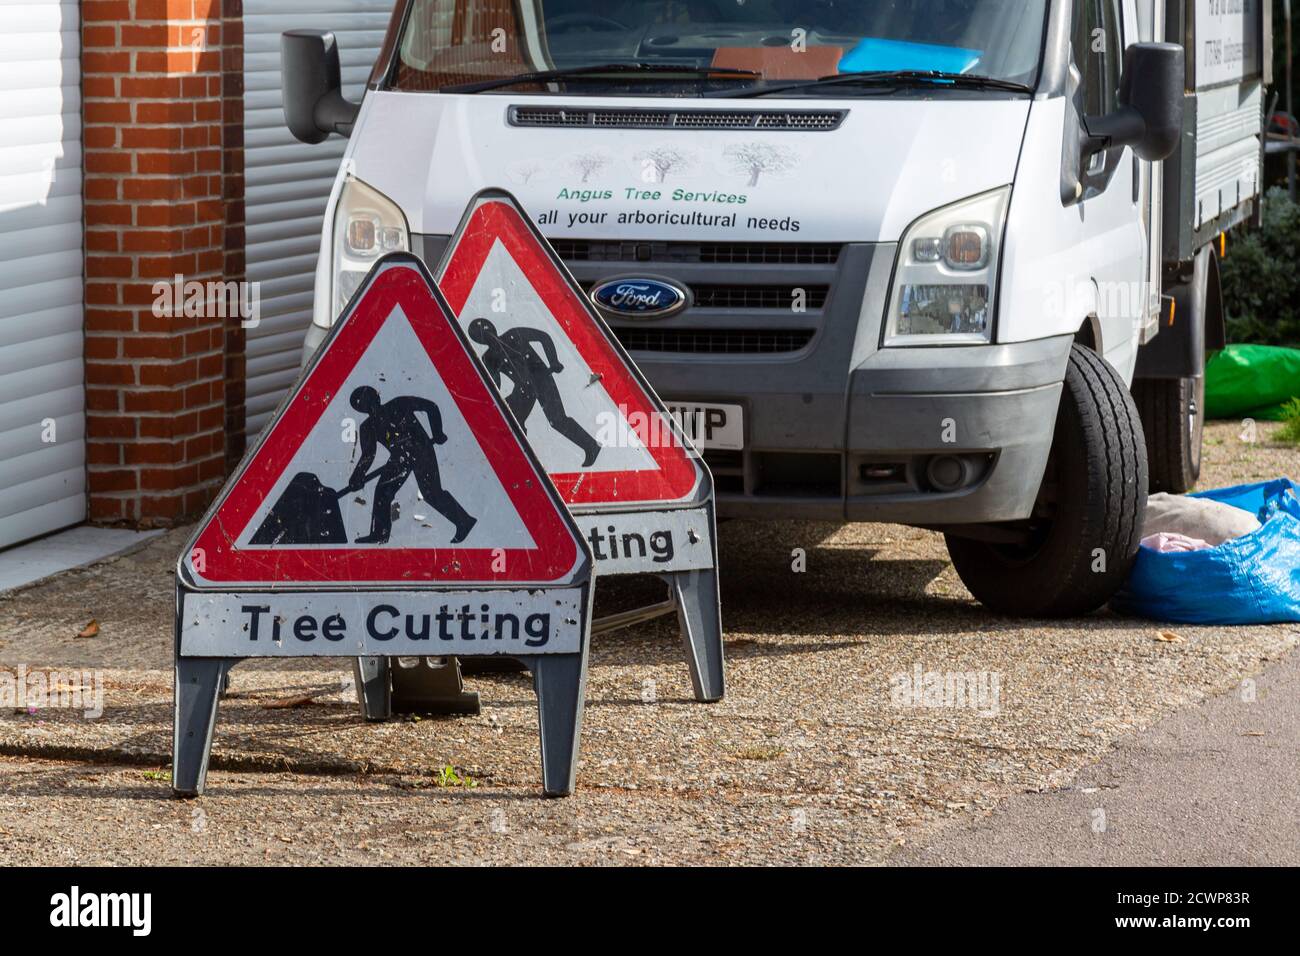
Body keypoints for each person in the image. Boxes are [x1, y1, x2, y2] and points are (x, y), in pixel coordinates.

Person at [343, 386, 477, 545]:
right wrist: (357, 477)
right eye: (365, 404)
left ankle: (464, 521)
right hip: (399, 459)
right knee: (382, 492)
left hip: (421, 449)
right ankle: (380, 533)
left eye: (371, 401)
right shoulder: (367, 427)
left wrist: (437, 433)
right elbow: (368, 455)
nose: (371, 407)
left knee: (432, 493)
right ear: (361, 409)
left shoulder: (398, 404)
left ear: (377, 398)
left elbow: (430, 407)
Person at [467, 317, 602, 467]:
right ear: (479, 340)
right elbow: (494, 384)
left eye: (487, 332)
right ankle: (522, 461)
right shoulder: (489, 357)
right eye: (483, 336)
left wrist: (553, 361)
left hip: (541, 378)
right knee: (512, 418)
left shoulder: (514, 334)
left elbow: (543, 337)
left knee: (557, 420)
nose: (488, 337)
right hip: (523, 389)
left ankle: (591, 446)